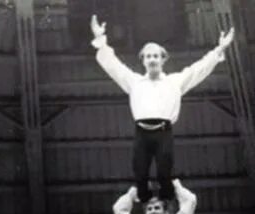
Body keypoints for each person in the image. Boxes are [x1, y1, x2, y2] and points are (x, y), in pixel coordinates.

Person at [90, 14, 234, 202]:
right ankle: (145, 203)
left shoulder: (175, 81)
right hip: (141, 132)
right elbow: (113, 66)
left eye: (156, 56)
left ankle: (167, 205)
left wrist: (220, 48)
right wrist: (100, 40)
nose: (152, 59)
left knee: (165, 173)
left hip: (164, 132)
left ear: (163, 59)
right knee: (140, 173)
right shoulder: (134, 81)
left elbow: (198, 69)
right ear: (143, 60)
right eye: (148, 56)